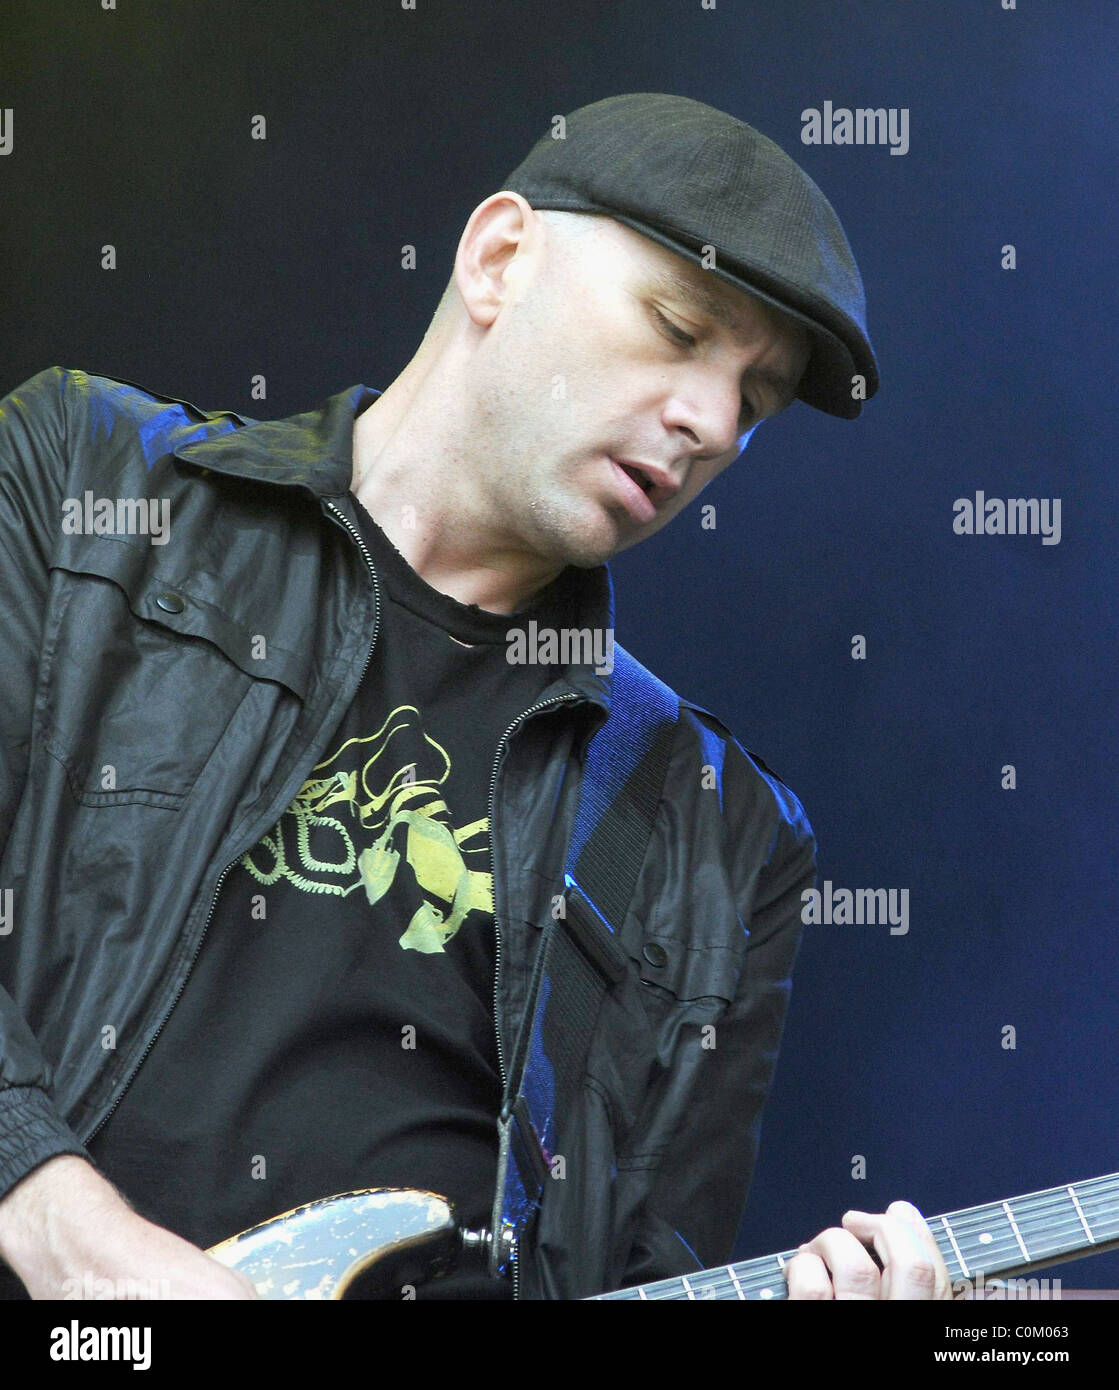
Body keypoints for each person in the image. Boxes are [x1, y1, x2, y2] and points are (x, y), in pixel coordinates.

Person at [0, 93, 951, 1301]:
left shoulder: (722, 834)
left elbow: (644, 1270)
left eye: (754, 405)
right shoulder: (81, 483)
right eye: (676, 328)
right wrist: (76, 1240)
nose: (710, 423)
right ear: (500, 260)